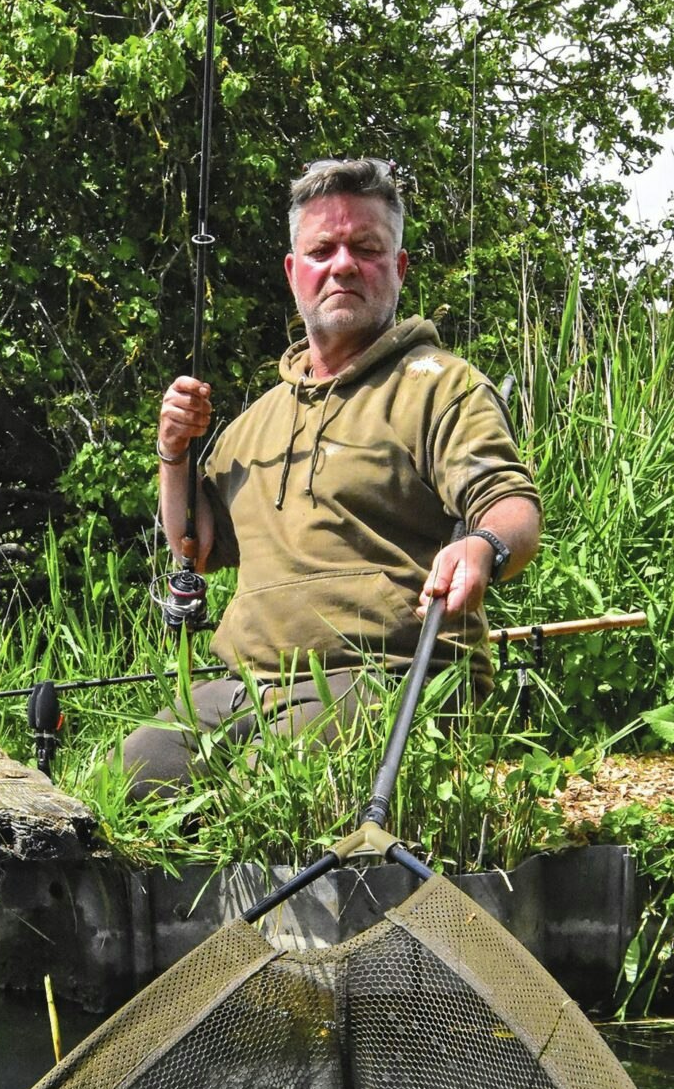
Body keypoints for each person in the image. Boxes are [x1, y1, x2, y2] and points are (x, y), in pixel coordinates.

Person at [122, 155, 541, 798]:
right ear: (295, 273)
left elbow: (510, 505)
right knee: (124, 780)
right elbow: (193, 547)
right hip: (242, 689)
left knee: (274, 788)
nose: (342, 263)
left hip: (387, 676)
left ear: (397, 268)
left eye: (366, 248)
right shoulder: (256, 421)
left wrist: (482, 547)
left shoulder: (439, 385)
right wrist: (173, 451)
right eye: (322, 249)